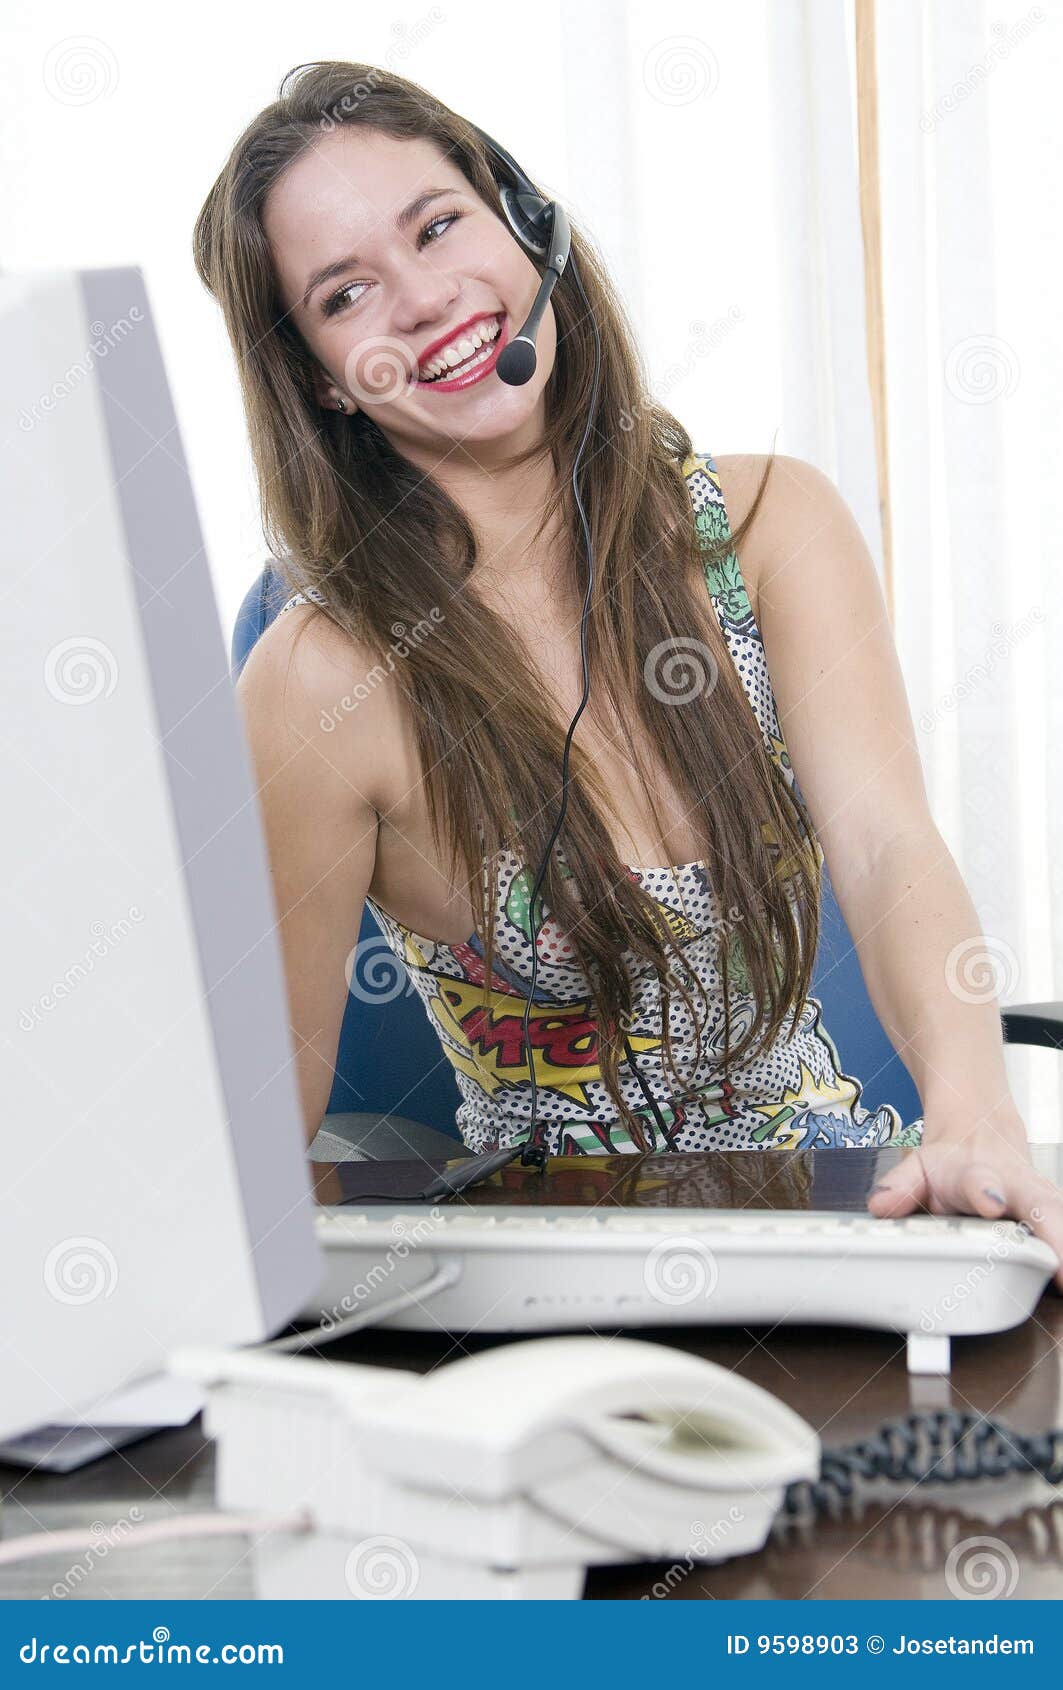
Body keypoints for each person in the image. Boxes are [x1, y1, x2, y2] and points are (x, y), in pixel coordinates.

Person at [194, 60, 1062, 1280]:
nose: (427, 298)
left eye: (439, 225)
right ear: (323, 382)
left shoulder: (771, 525)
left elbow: (882, 839)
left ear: (527, 224)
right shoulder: (320, 679)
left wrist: (974, 1110)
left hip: (842, 1228)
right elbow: (248, 1148)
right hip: (538, 1273)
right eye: (346, 294)